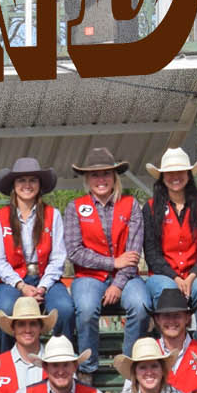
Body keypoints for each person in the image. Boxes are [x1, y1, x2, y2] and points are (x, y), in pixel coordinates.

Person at [63, 148, 150, 376]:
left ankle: (130, 366)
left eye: (106, 174)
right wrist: (112, 262)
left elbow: (133, 254)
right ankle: (87, 369)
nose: (100, 180)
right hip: (88, 276)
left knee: (141, 306)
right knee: (86, 310)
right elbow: (74, 251)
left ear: (114, 177)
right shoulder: (74, 207)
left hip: (127, 276)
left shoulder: (131, 205)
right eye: (95, 175)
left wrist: (117, 284)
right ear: (87, 179)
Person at [0, 157, 71, 349]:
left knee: (64, 309)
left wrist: (42, 287)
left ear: (39, 185)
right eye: (21, 180)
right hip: (13, 281)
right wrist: (22, 286)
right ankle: (7, 364)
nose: (27, 185)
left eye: (32, 180)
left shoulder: (53, 214)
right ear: (13, 185)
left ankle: (62, 359)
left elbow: (58, 257)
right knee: (5, 311)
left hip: (46, 279)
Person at [141, 148, 197, 345]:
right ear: (162, 177)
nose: (175, 177)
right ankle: (169, 348)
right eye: (170, 173)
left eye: (181, 171)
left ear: (188, 175)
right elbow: (152, 254)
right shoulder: (150, 207)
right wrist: (175, 277)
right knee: (168, 291)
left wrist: (191, 276)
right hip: (162, 275)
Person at [0, 296, 55, 393]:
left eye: (33, 323)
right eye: (21, 324)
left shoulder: (57, 362)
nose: (27, 330)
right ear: (13, 328)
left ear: (40, 327)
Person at [148, 287, 197, 393]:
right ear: (157, 319)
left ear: (187, 318)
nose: (171, 321)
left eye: (177, 315)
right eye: (166, 315)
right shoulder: (146, 354)